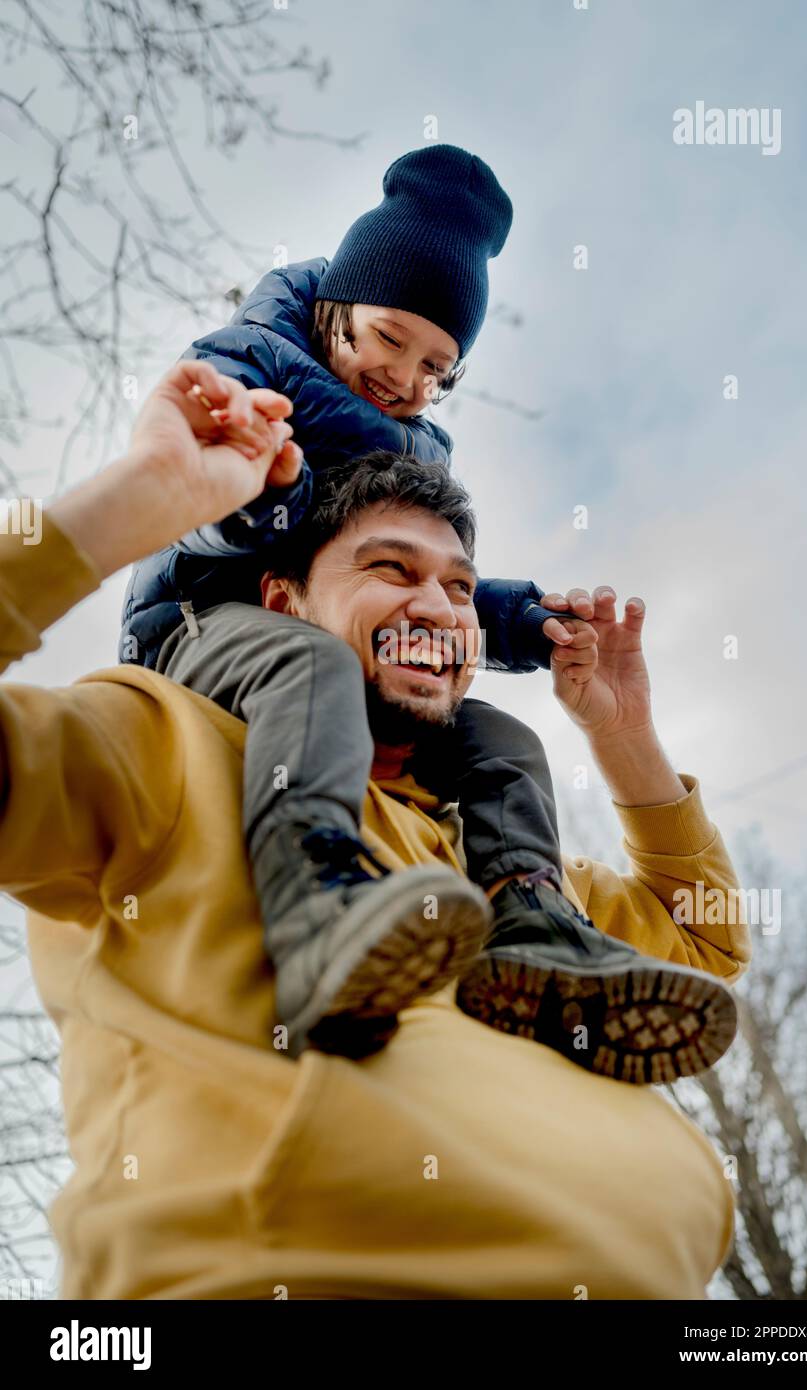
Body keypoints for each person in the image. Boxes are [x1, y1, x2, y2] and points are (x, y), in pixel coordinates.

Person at [1, 365, 750, 1298]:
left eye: (463, 589)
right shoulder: (166, 750)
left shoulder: (498, 850)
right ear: (283, 606)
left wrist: (625, 735)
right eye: (391, 569)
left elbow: (706, 940)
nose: (438, 608)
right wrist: (133, 503)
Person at [117, 145, 733, 1074]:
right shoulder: (250, 364)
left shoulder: (414, 454)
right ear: (335, 309)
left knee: (499, 738)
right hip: (199, 624)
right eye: (388, 338)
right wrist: (261, 502)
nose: (405, 378)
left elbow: (714, 945)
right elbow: (195, 502)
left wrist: (521, 625)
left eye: (438, 366)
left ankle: (531, 921)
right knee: (312, 664)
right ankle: (318, 893)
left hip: (320, 668)